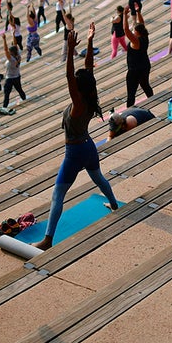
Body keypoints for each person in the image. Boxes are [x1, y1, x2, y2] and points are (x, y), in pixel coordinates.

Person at [36, 20, 119, 251]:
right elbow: (87, 71)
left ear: (78, 89)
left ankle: (48, 239)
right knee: (98, 178)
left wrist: (71, 49)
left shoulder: (79, 102)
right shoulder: (90, 96)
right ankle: (113, 204)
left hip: (74, 153)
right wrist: (90, 40)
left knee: (57, 194)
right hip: (88, 148)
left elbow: (69, 77)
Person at [122, 6, 154, 108]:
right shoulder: (144, 36)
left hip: (135, 70)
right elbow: (142, 24)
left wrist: (124, 15)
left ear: (137, 32)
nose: (133, 30)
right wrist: (138, 12)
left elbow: (126, 30)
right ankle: (153, 101)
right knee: (145, 86)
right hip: (145, 65)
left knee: (131, 93)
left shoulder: (136, 41)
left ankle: (129, 111)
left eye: (134, 30)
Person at [0, 34, 27, 113]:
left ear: (12, 53)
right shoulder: (18, 55)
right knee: (19, 89)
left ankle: (4, 106)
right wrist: (13, 35)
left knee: (7, 93)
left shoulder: (11, 60)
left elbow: (5, 50)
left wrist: (4, 39)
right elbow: (15, 45)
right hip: (17, 76)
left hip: (10, 78)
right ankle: (24, 98)